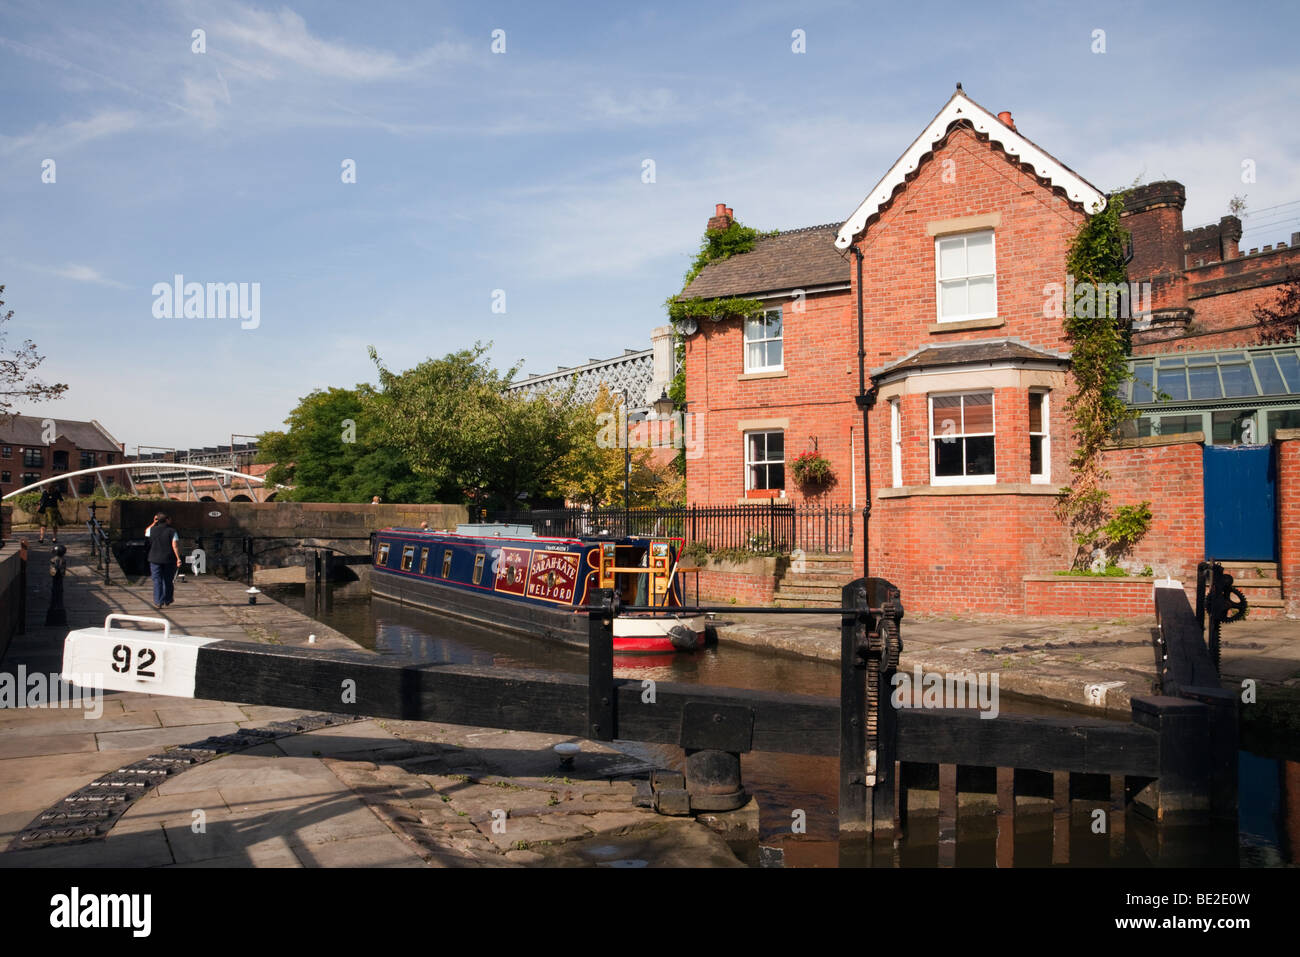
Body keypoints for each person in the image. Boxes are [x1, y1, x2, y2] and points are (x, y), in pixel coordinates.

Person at [145, 512, 183, 609]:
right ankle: (168, 599)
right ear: (166, 520)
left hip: (154, 558)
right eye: (169, 519)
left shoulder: (152, 530)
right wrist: (178, 558)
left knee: (157, 580)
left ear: (157, 520)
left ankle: (158, 601)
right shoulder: (172, 531)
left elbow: (146, 531)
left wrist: (154, 522)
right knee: (168, 580)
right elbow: (175, 545)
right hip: (168, 558)